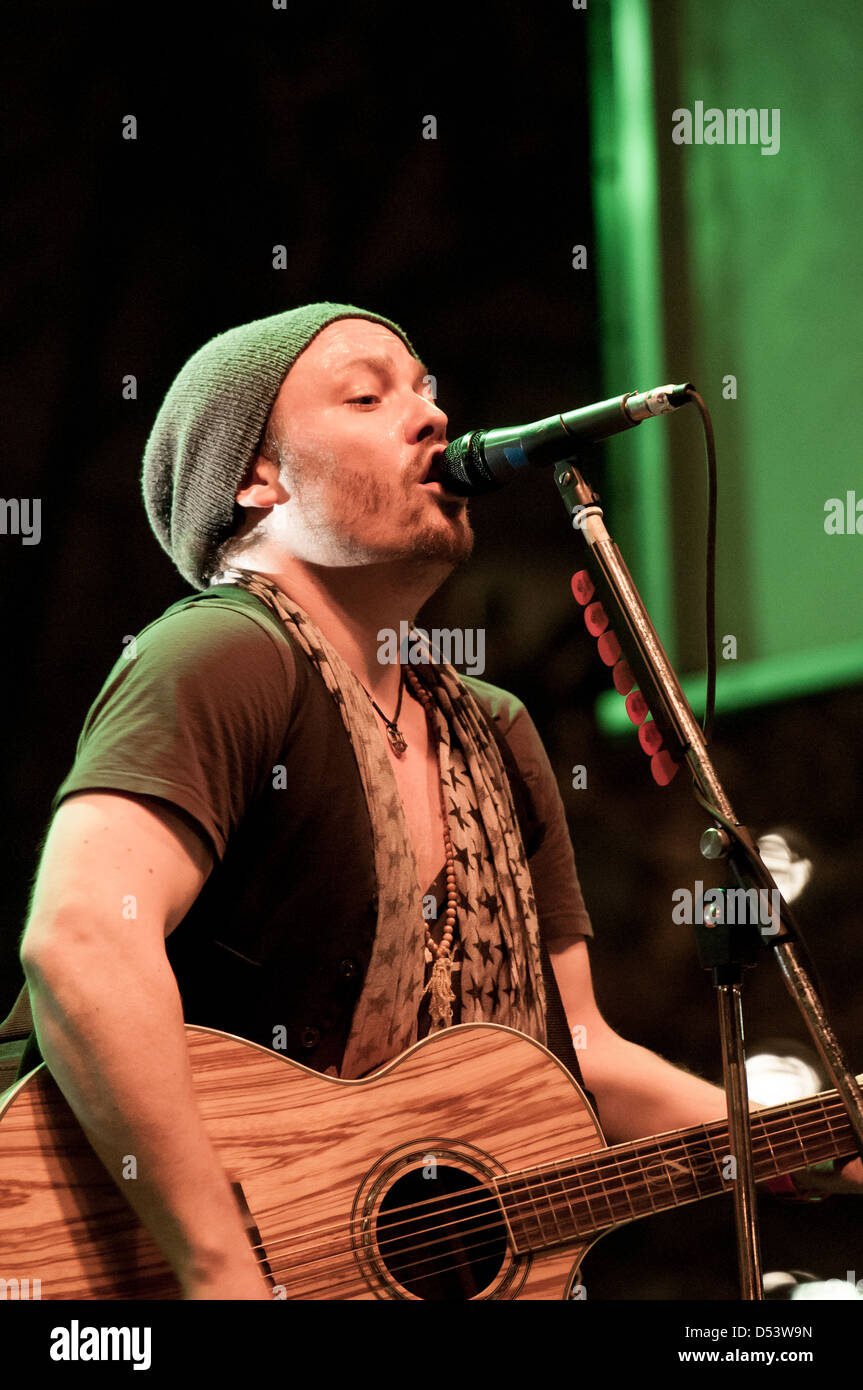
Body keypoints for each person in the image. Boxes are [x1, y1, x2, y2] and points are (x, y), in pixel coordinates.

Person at [16, 303, 861, 1301]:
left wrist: (807, 1144)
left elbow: (577, 1054)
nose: (429, 415)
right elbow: (81, 942)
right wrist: (218, 1270)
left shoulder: (493, 732)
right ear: (255, 479)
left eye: (424, 389)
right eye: (367, 395)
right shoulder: (222, 655)